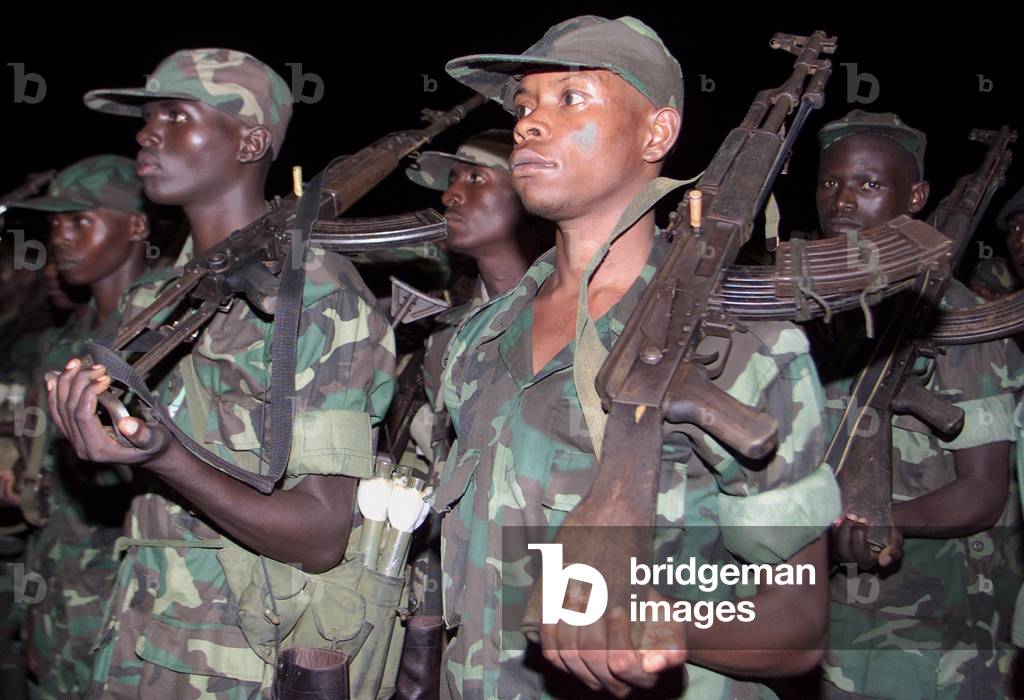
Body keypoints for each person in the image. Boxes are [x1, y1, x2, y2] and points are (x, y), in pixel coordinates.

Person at [433, 15, 839, 699]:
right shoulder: (479, 339)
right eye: (525, 105)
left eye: (572, 99)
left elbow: (798, 624)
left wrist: (652, 624)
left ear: (657, 134)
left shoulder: (739, 348)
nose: (530, 123)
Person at [46, 49, 401, 698]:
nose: (147, 133)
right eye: (147, 118)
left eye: (177, 116)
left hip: (241, 667)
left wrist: (166, 457)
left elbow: (322, 534)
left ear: (252, 141)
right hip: (138, 643)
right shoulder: (151, 303)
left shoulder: (316, 296)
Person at [811, 110, 1021, 699]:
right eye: (830, 183)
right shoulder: (803, 317)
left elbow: (983, 491)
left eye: (870, 185)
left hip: (933, 628)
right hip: (815, 618)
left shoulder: (957, 321)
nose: (844, 202)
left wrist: (881, 520)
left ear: (917, 197)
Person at [2, 154, 148, 699]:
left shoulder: (168, 332)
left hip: (134, 613)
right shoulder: (68, 339)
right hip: (60, 602)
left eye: (79, 220)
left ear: (136, 226)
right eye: (55, 224)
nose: (60, 237)